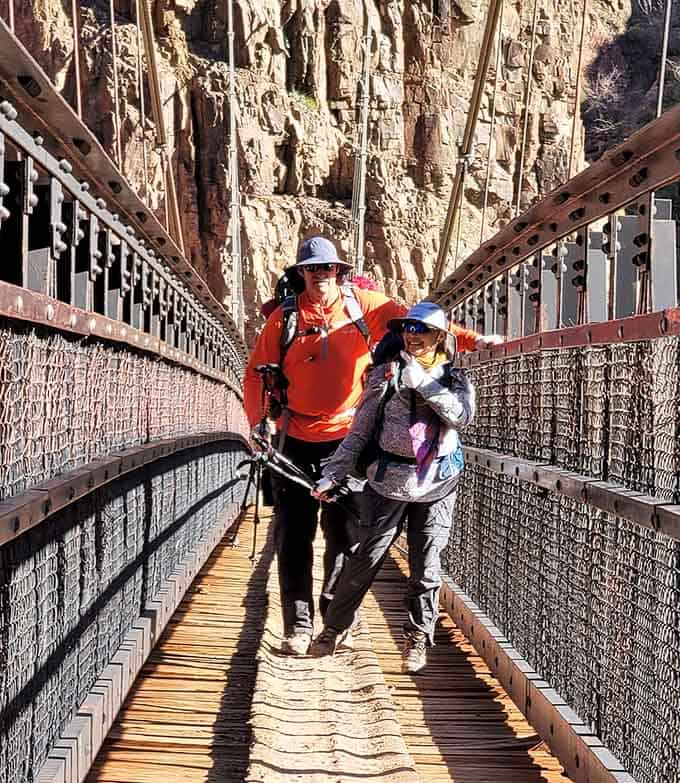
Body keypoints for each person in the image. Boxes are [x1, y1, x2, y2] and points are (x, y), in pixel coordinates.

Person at [244, 237, 486, 656]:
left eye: (328, 268)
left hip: (349, 438)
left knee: (343, 534)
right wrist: (255, 422)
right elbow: (254, 372)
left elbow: (423, 325)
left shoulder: (366, 305)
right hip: (292, 437)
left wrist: (475, 342)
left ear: (339, 271)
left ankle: (336, 621)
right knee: (292, 534)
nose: (321, 275)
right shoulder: (283, 318)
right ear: (301, 272)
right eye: (312, 268)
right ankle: (298, 626)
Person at [308, 301, 475, 675]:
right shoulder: (386, 374)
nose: (412, 336)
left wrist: (426, 385)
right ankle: (333, 628)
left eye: (421, 330)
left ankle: (417, 638)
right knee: (366, 558)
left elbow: (461, 418)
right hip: (388, 482)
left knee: (426, 565)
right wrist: (334, 474)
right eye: (407, 329)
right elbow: (361, 429)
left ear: (439, 337)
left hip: (437, 484)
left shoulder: (456, 380)